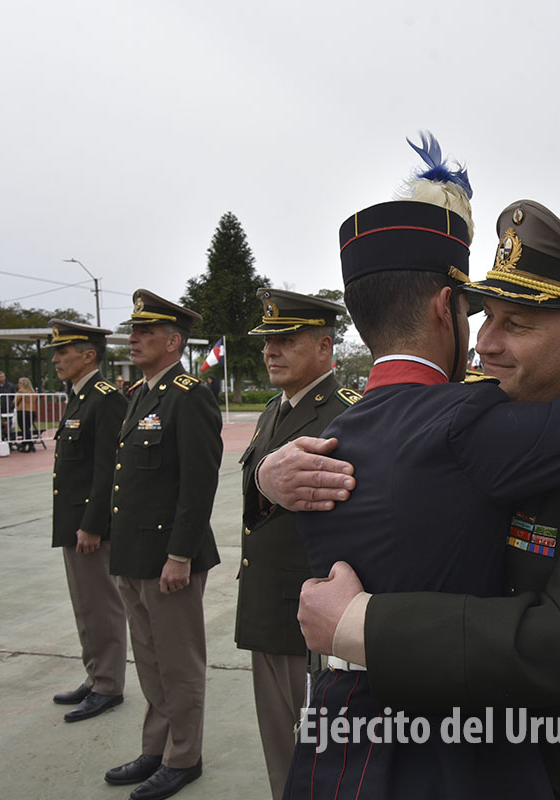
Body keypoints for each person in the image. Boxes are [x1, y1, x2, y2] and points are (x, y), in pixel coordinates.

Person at [270, 198, 560, 800]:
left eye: (517, 325)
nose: (485, 344)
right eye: (483, 318)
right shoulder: (468, 417)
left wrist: (361, 623)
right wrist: (270, 475)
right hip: (452, 757)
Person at [234, 288, 357, 799]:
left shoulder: (348, 415)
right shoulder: (271, 412)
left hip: (309, 611)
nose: (271, 351)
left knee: (319, 749)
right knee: (279, 743)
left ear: (326, 348)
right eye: (268, 342)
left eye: (286, 339)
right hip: (266, 600)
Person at [103, 290, 222, 800]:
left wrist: (180, 554)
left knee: (178, 663)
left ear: (173, 341)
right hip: (132, 555)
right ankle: (156, 749)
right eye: (134, 331)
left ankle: (184, 757)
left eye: (145, 332)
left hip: (169, 558)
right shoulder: (142, 394)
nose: (133, 339)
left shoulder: (189, 394)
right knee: (149, 662)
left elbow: (199, 485)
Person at [44, 320, 129, 723]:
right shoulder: (78, 397)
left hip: (90, 527)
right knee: (84, 605)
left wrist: (93, 524)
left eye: (63, 352)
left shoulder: (105, 398)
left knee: (101, 605)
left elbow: (108, 469)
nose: (56, 359)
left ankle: (109, 685)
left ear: (89, 355)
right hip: (73, 522)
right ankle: (95, 675)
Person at [14, 376, 39, 452]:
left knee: (24, 429)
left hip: (23, 411)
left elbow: (15, 401)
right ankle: (24, 444)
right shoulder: (33, 392)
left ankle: (31, 445)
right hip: (32, 411)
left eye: (20, 383)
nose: (18, 384)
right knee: (27, 429)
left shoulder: (21, 391)